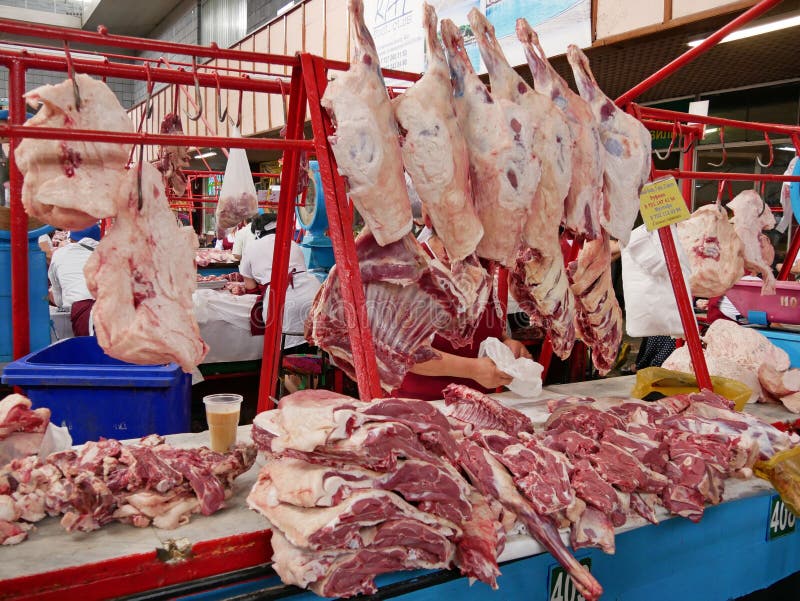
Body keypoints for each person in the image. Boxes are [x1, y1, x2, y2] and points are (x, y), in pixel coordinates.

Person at [394, 232, 530, 401]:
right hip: (426, 407)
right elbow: (406, 352)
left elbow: (485, 325)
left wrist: (507, 344)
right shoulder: (413, 267)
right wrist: (473, 369)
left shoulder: (478, 265)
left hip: (478, 406)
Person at [239, 213, 321, 351]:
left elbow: (250, 286)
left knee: (288, 351)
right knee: (314, 345)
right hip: (313, 293)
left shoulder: (252, 247)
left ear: (257, 232)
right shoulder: (292, 244)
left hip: (284, 299)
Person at [47, 223, 101, 337]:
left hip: (84, 313)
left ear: (71, 239)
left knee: (88, 352)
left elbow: (59, 300)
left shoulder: (60, 254)